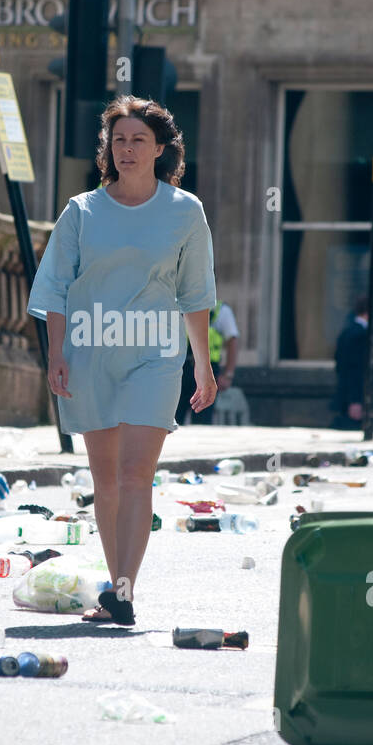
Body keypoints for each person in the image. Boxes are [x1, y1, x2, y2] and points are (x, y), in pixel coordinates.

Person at [26, 95, 217, 627]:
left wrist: (202, 366)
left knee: (136, 473)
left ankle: (125, 591)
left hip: (155, 356)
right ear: (108, 148)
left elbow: (195, 293)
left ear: (159, 149)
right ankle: (115, 589)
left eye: (138, 140)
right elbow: (56, 286)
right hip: (90, 353)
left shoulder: (185, 211)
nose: (126, 149)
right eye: (118, 140)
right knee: (106, 480)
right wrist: (56, 352)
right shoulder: (82, 211)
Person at [175, 301, 239, 425]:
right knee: (175, 418)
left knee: (202, 420)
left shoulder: (221, 311)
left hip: (208, 368)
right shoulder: (178, 306)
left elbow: (232, 340)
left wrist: (228, 374)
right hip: (181, 369)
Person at [331, 295, 373, 429]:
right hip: (359, 397)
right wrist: (355, 400)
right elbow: (354, 369)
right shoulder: (359, 334)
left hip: (356, 395)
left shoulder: (349, 331)